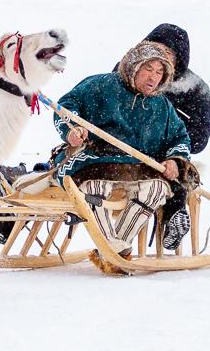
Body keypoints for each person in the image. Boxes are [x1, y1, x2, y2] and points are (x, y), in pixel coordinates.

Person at [51, 39, 191, 272]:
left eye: (159, 72)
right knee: (93, 188)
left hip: (140, 166)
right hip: (96, 161)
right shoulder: (100, 85)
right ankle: (116, 251)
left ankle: (114, 250)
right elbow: (66, 107)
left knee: (157, 189)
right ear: (134, 66)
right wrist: (72, 131)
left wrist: (174, 159)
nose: (153, 77)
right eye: (148, 69)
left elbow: (180, 137)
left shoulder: (162, 106)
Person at [112, 24, 210, 250]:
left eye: (166, 54)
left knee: (174, 170)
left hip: (166, 151)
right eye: (153, 51)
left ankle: (173, 218)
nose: (158, 61)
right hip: (123, 145)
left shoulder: (194, 88)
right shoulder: (125, 71)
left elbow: (200, 137)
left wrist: (166, 137)